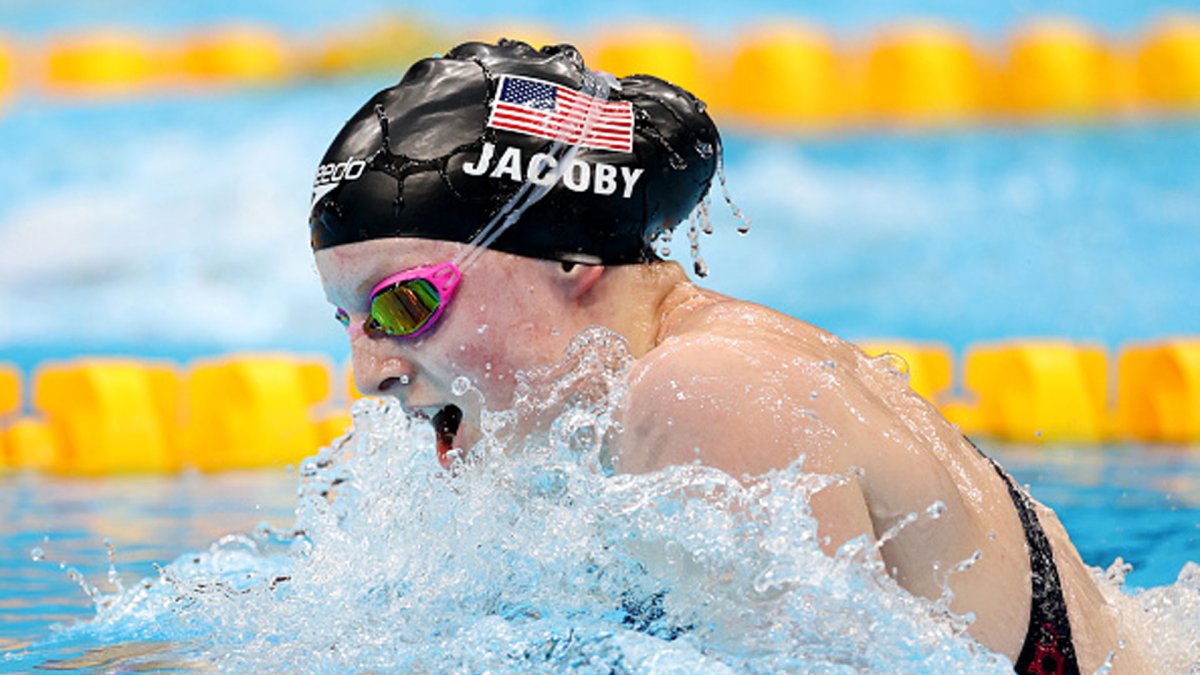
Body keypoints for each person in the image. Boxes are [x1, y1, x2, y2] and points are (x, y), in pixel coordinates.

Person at [309, 40, 1148, 674]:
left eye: (404, 304)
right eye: (348, 319)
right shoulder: (628, 401)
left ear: (568, 258)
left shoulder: (703, 391)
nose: (370, 372)